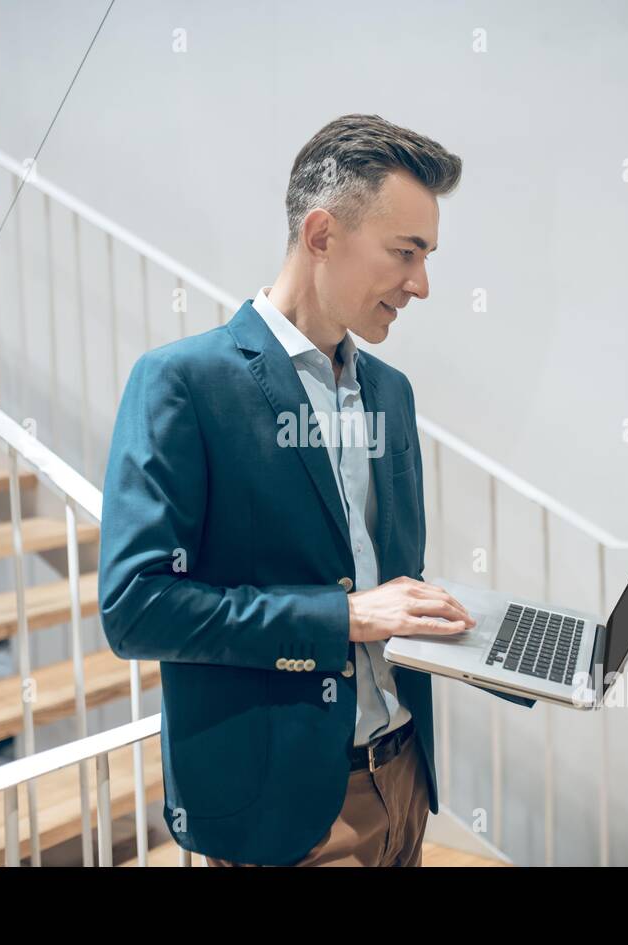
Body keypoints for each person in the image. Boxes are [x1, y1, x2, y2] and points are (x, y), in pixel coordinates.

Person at [99, 114, 533, 868]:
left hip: (403, 776)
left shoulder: (389, 392)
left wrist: (499, 642)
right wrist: (344, 616)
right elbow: (137, 609)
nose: (421, 285)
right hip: (285, 806)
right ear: (323, 234)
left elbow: (380, 586)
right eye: (406, 253)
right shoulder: (183, 383)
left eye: (427, 256)